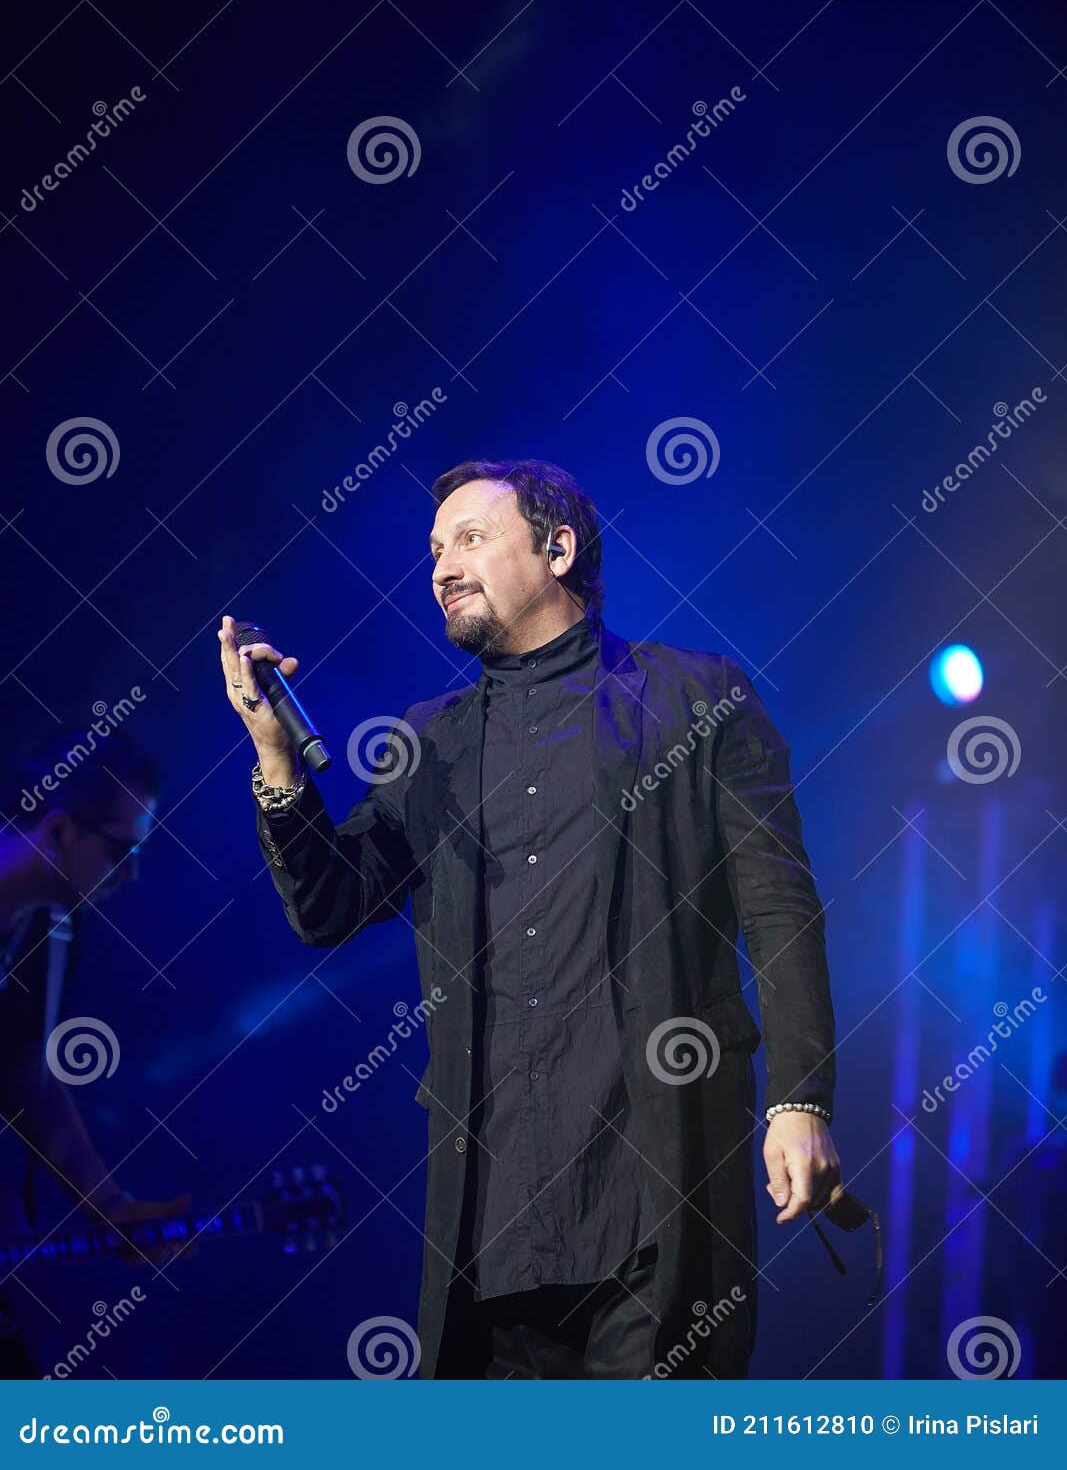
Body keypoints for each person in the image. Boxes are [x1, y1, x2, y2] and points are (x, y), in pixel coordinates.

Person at [221, 458, 841, 1378]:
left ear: (557, 550)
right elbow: (329, 905)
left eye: (469, 538)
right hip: (494, 1212)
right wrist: (278, 759)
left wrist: (799, 1100)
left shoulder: (692, 699)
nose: (440, 566)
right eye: (433, 550)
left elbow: (780, 912)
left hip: (655, 1183)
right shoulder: (431, 740)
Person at [0, 728, 189, 1378]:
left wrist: (108, 1206)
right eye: (120, 850)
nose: (132, 873)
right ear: (59, 833)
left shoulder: (50, 930)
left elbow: (30, 1080)